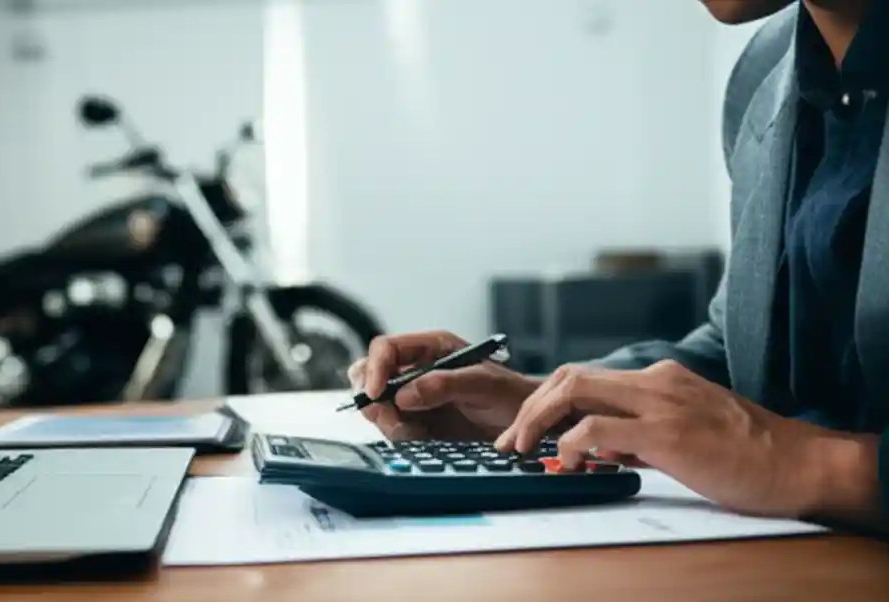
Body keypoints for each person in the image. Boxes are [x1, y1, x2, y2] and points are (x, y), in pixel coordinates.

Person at [347, 0, 888, 529]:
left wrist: (807, 464)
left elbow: (765, 430)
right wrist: (542, 404)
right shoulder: (763, 73)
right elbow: (741, 353)